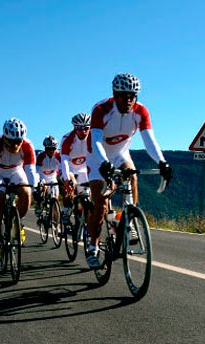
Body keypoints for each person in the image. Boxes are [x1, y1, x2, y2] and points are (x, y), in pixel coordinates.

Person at [85, 72, 172, 269]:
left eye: (133, 95)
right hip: (97, 156)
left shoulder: (141, 112)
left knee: (132, 176)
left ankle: (129, 218)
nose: (129, 100)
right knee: (100, 203)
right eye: (125, 95)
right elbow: (96, 141)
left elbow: (149, 139)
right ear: (115, 94)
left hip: (121, 153)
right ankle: (93, 247)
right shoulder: (101, 109)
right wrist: (104, 164)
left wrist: (162, 162)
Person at [0, 118, 39, 260]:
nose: (16, 145)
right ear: (5, 138)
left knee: (26, 193)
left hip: (16, 171)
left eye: (19, 141)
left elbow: (31, 171)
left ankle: (18, 224)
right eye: (12, 141)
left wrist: (36, 190)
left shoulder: (28, 145)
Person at [59, 113, 92, 219]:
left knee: (87, 196)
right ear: (74, 128)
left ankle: (83, 220)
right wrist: (67, 179)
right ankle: (66, 209)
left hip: (83, 168)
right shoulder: (67, 139)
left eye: (86, 128)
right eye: (79, 128)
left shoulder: (92, 137)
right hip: (70, 168)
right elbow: (64, 161)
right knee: (70, 186)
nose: (83, 131)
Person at [34, 135, 62, 215]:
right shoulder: (41, 156)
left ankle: (57, 226)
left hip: (53, 178)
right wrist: (39, 181)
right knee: (42, 188)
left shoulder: (58, 156)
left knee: (56, 202)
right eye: (48, 149)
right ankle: (39, 203)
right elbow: (37, 171)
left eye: (53, 149)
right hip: (42, 176)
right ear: (45, 148)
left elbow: (62, 169)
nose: (50, 151)